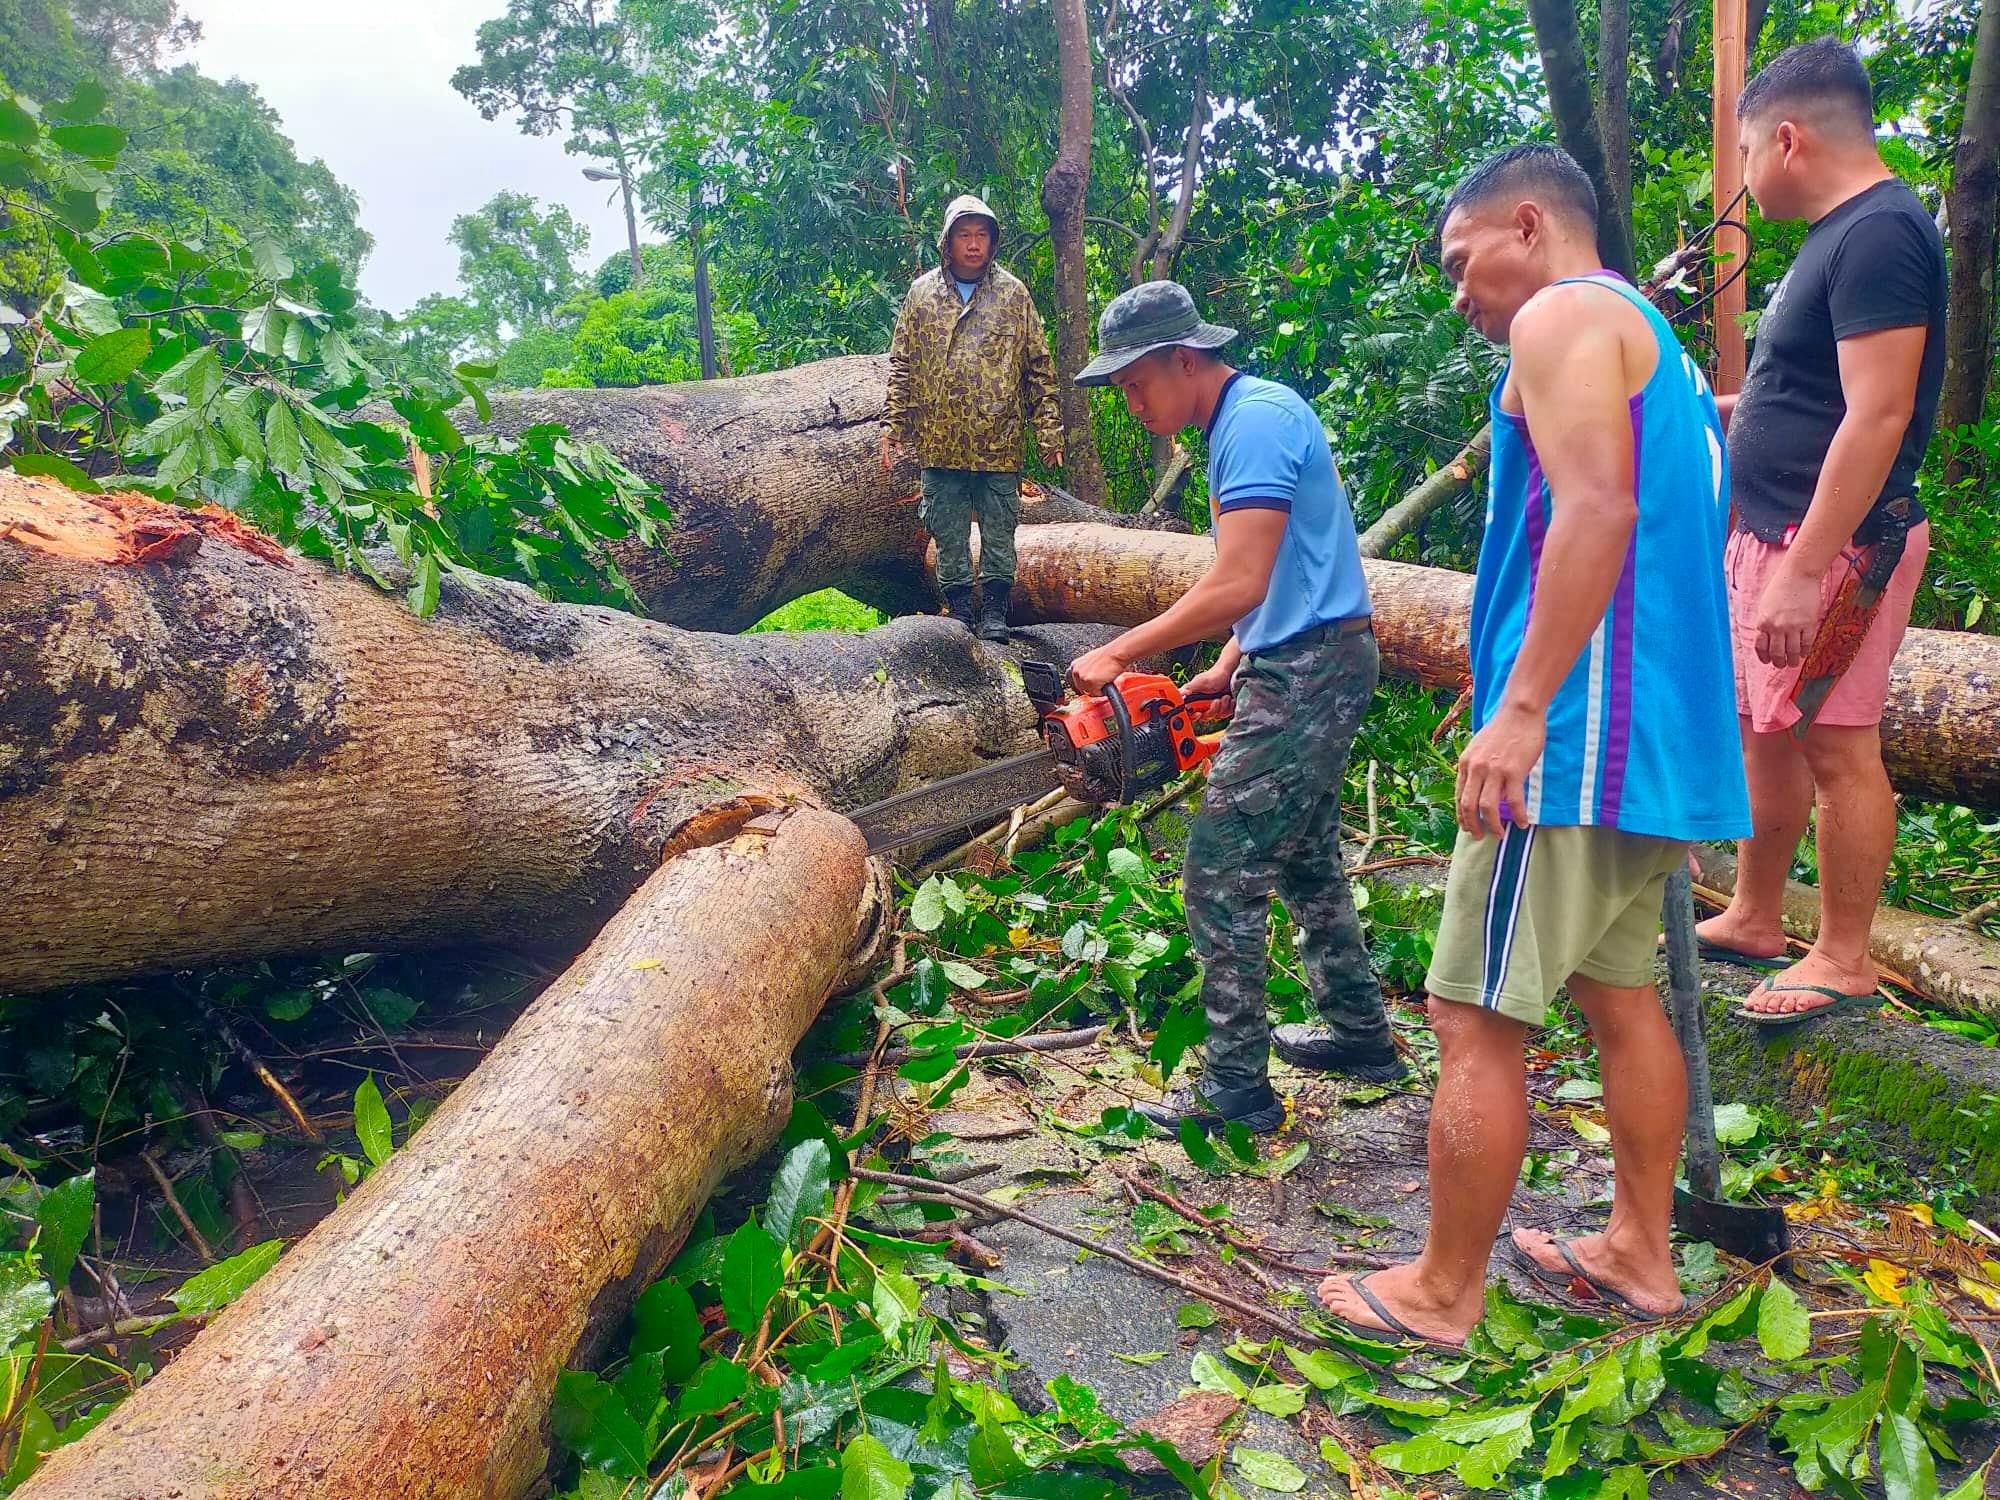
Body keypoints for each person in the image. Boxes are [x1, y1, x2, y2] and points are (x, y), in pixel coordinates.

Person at [1317, 146, 1750, 1346]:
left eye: (1462, 264)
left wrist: (1520, 710)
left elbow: (1597, 510)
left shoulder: (1560, 317)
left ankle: (1439, 1292)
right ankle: (1640, 1252)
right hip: (1653, 743)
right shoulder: (1653, 345)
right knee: (1619, 998)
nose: (1459, 295)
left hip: (1575, 744)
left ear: (1526, 224)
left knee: (1470, 1014)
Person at [1066, 280, 1400, 1134]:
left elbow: (1241, 579)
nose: (1133, 403)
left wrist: (1120, 652)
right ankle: (1362, 1035)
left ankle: (1237, 1092)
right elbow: (1281, 569)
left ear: (1184, 359)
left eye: (1136, 383)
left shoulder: (1252, 423)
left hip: (1311, 668)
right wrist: (1228, 661)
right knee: (1306, 858)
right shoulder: (1237, 425)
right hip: (1298, 656)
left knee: (1219, 867)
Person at [1691, 38, 1947, 1026]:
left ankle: (1842, 956)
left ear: (1788, 139)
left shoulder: (1880, 232)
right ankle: (1757, 915)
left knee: (1836, 746)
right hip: (1779, 531)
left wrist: (1802, 571)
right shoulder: (1838, 234)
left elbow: (1878, 414)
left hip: (1839, 545)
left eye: (1746, 151)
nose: (1745, 174)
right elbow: (1810, 392)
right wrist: (1722, 411)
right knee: (1769, 736)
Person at [883, 194, 1064, 640]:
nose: (973, 244)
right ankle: (961, 608)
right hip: (939, 441)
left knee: (1000, 530)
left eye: (981, 235)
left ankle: (996, 612)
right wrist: (893, 427)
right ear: (948, 241)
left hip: (998, 440)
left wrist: (1049, 432)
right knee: (947, 531)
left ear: (993, 241)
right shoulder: (922, 294)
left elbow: (1039, 366)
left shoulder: (1013, 294)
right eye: (964, 235)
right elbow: (902, 363)